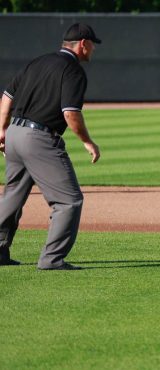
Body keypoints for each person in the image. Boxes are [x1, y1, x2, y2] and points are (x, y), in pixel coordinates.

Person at [0, 23, 102, 270]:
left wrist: (2, 130)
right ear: (83, 44)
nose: (93, 49)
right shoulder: (73, 70)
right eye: (92, 44)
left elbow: (7, 97)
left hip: (14, 134)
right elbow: (70, 113)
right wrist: (87, 141)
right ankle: (52, 259)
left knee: (12, 196)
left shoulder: (38, 62)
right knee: (69, 201)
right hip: (38, 138)